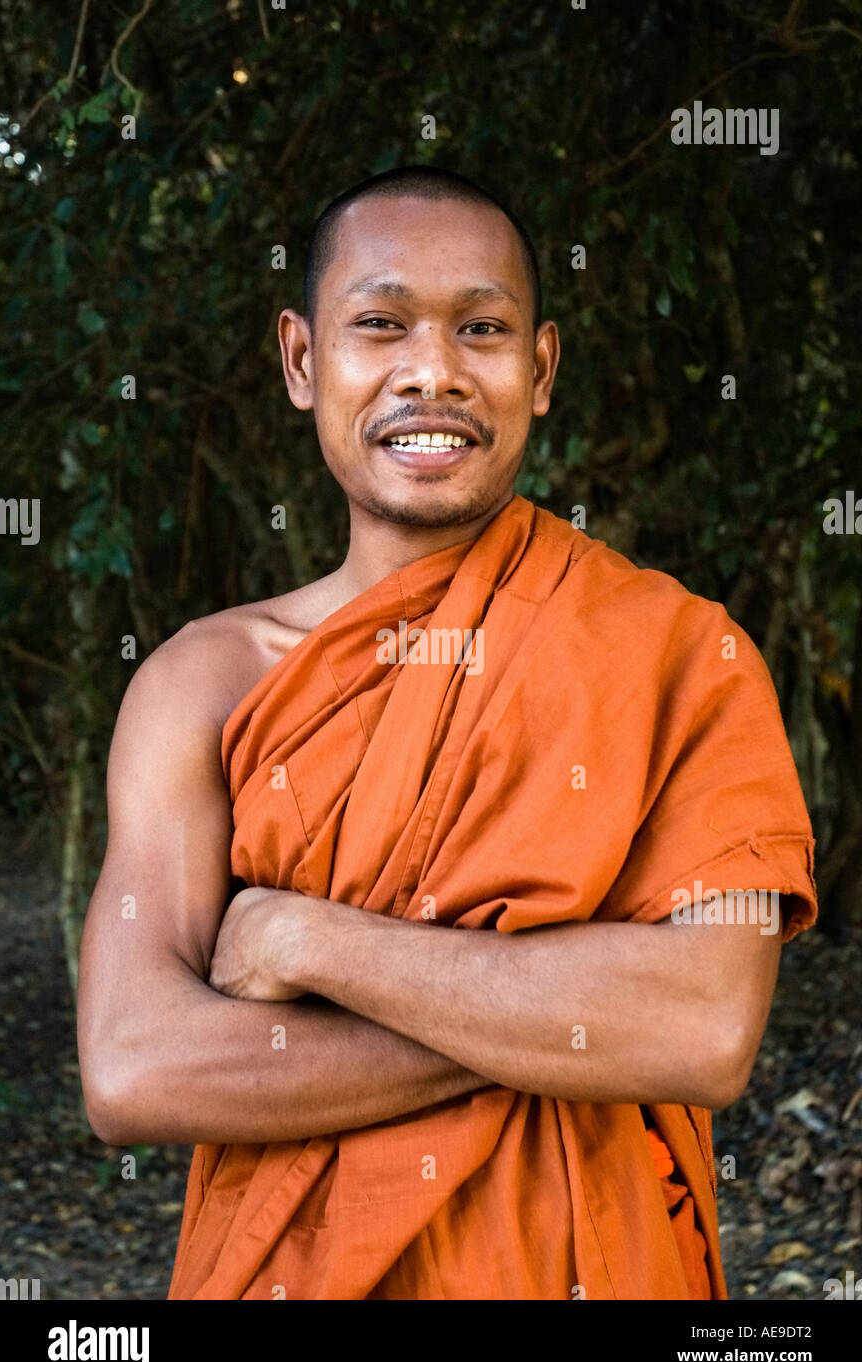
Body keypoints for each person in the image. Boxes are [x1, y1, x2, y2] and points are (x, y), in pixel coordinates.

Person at [77, 165, 817, 1300]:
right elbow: (136, 1066)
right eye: (379, 324)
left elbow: (705, 1025)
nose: (433, 371)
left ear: (542, 367)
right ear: (301, 360)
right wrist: (557, 1025)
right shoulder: (202, 684)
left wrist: (311, 945)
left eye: (482, 327)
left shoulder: (678, 656)